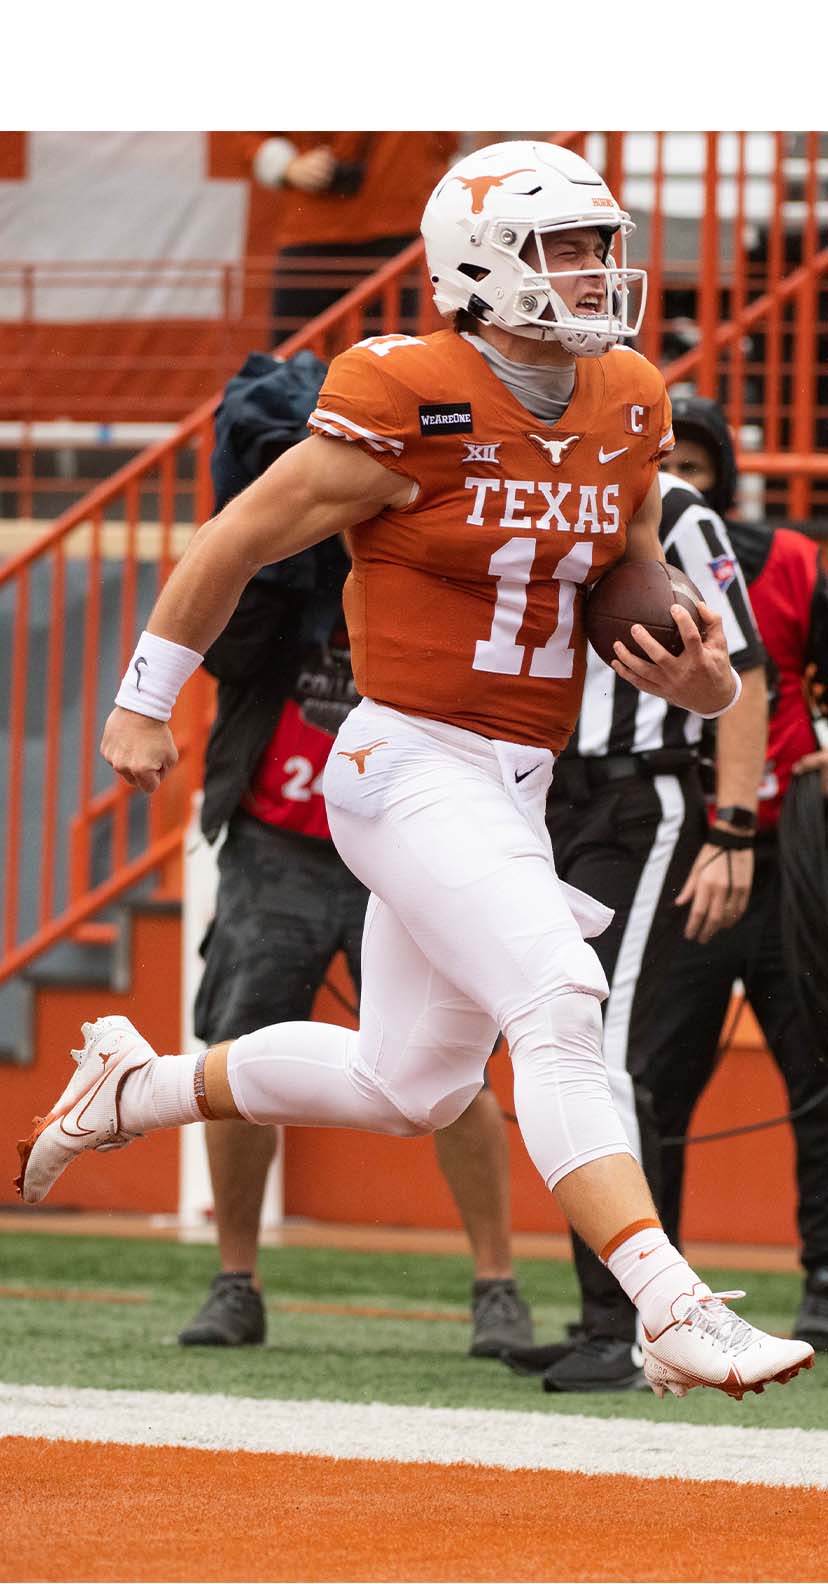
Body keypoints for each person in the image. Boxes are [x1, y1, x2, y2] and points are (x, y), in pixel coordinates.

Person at [17, 139, 815, 1403]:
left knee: (408, 1083)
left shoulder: (628, 401)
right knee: (560, 1002)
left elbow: (632, 578)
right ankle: (668, 1303)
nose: (598, 269)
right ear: (481, 266)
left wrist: (705, 683)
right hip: (403, 759)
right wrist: (141, 701)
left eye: (602, 242)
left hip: (514, 780)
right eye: (564, 245)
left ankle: (141, 1084)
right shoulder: (408, 394)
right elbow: (235, 537)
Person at [179, 347, 533, 1355]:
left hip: (418, 830)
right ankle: (235, 1276)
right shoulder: (281, 558)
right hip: (283, 833)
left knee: (454, 1062)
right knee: (243, 1041)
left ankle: (496, 1284)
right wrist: (287, 563)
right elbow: (228, 642)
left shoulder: (435, 540)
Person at [501, 442, 768, 1391]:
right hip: (545, 796)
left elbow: (746, 666)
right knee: (559, 1044)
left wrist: (732, 828)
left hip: (640, 800)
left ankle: (635, 1323)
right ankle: (610, 1314)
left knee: (605, 1055)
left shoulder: (678, 511)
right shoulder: (530, 497)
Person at [638, 395, 828, 1354]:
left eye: (707, 469)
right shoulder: (619, 559)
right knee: (652, 1075)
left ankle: (826, 1284)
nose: (693, 484)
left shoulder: (792, 559)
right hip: (679, 844)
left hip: (786, 846)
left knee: (817, 1072)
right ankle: (656, 1295)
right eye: (684, 466)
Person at [248, 133, 459, 343]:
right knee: (293, 357)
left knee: (389, 361)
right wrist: (289, 166)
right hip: (314, 235)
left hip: (394, 236)